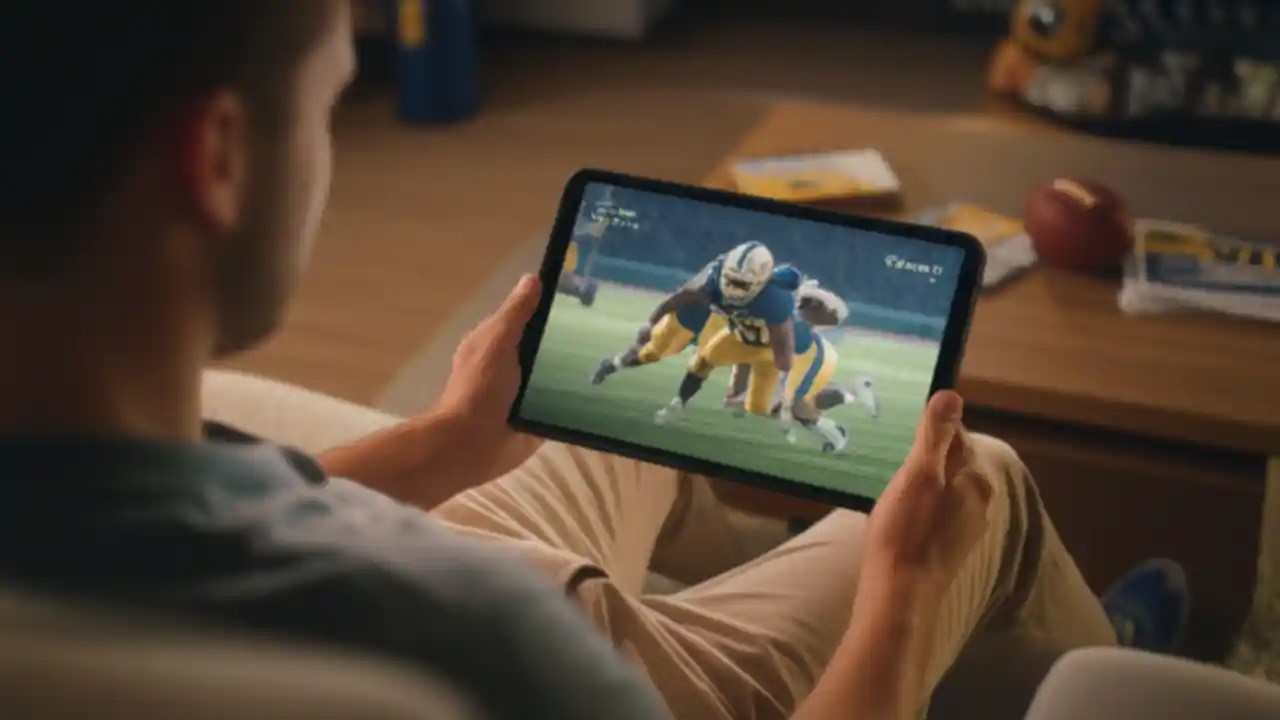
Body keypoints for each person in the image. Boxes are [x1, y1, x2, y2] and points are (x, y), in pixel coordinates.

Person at [0, 2, 1126, 719]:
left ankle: (766, 563)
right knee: (980, 477)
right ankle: (1106, 670)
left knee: (604, 414)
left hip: (410, 541)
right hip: (535, 616)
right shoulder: (479, 652)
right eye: (327, 103)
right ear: (218, 157)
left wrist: (443, 445)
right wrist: (901, 595)